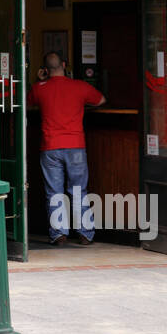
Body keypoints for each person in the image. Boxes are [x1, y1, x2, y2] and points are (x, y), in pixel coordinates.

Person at [27, 52, 105, 245]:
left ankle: (59, 235)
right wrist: (81, 108)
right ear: (64, 65)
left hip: (50, 146)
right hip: (76, 146)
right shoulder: (79, 86)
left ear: (45, 69)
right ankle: (85, 234)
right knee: (79, 190)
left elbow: (27, 106)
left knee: (54, 192)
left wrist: (40, 80)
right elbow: (101, 100)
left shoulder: (39, 88)